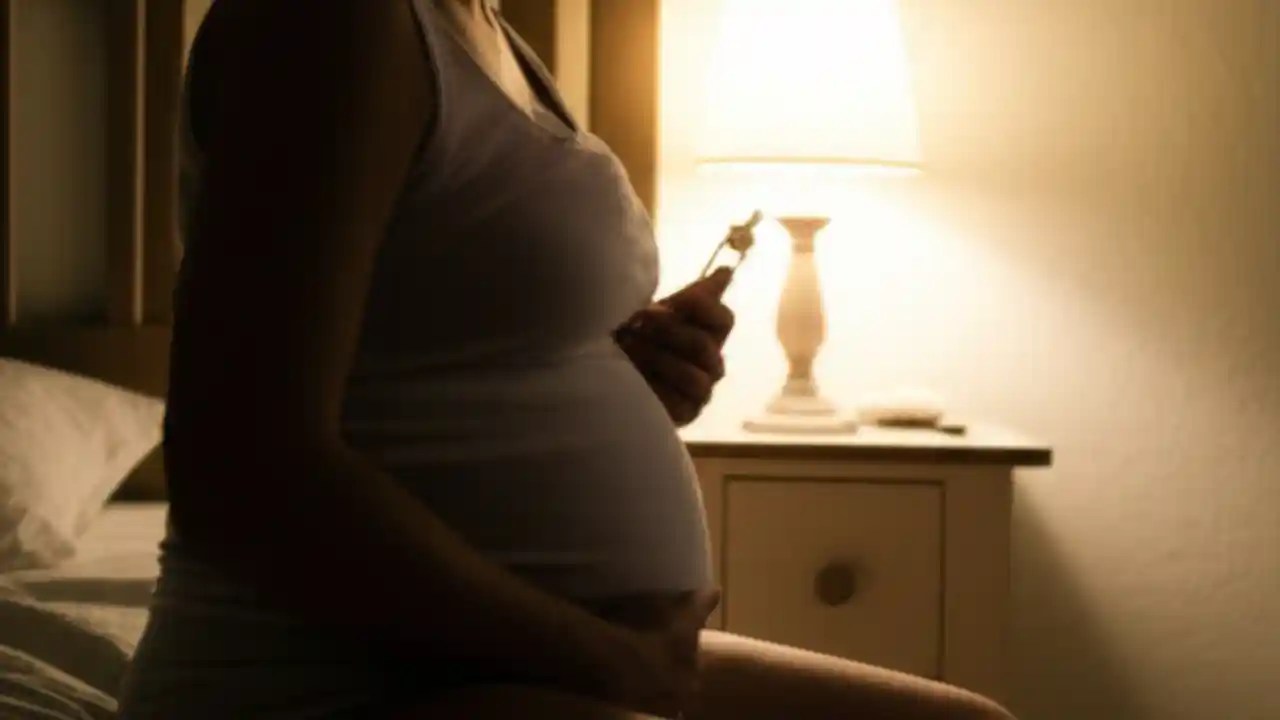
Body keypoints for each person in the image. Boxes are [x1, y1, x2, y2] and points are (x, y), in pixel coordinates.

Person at [117, 1, 1015, 718]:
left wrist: (618, 371)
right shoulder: (335, 24)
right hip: (346, 684)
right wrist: (604, 658)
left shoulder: (489, 30)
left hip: (522, 668)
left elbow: (429, 345)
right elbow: (241, 465)